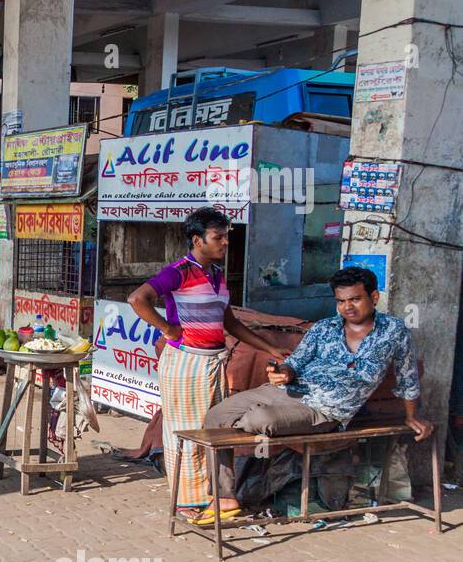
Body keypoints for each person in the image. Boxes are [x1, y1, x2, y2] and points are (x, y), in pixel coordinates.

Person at [201, 266, 430, 514]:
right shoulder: (324, 328)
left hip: (324, 410)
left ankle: (261, 418)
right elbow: (295, 362)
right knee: (216, 416)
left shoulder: (395, 331)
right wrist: (284, 372)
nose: (347, 307)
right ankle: (225, 498)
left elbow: (408, 377)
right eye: (341, 301)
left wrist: (411, 415)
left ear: (373, 297)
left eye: (355, 299)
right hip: (287, 391)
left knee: (261, 418)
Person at [127, 208, 292, 520]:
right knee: (188, 432)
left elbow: (230, 323)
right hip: (185, 364)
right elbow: (138, 299)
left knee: (213, 429)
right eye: (218, 237)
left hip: (212, 365)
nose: (225, 243)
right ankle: (188, 502)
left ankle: (215, 498)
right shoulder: (179, 271)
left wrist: (270, 346)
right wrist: (168, 328)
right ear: (197, 240)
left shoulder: (217, 275)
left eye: (226, 237)